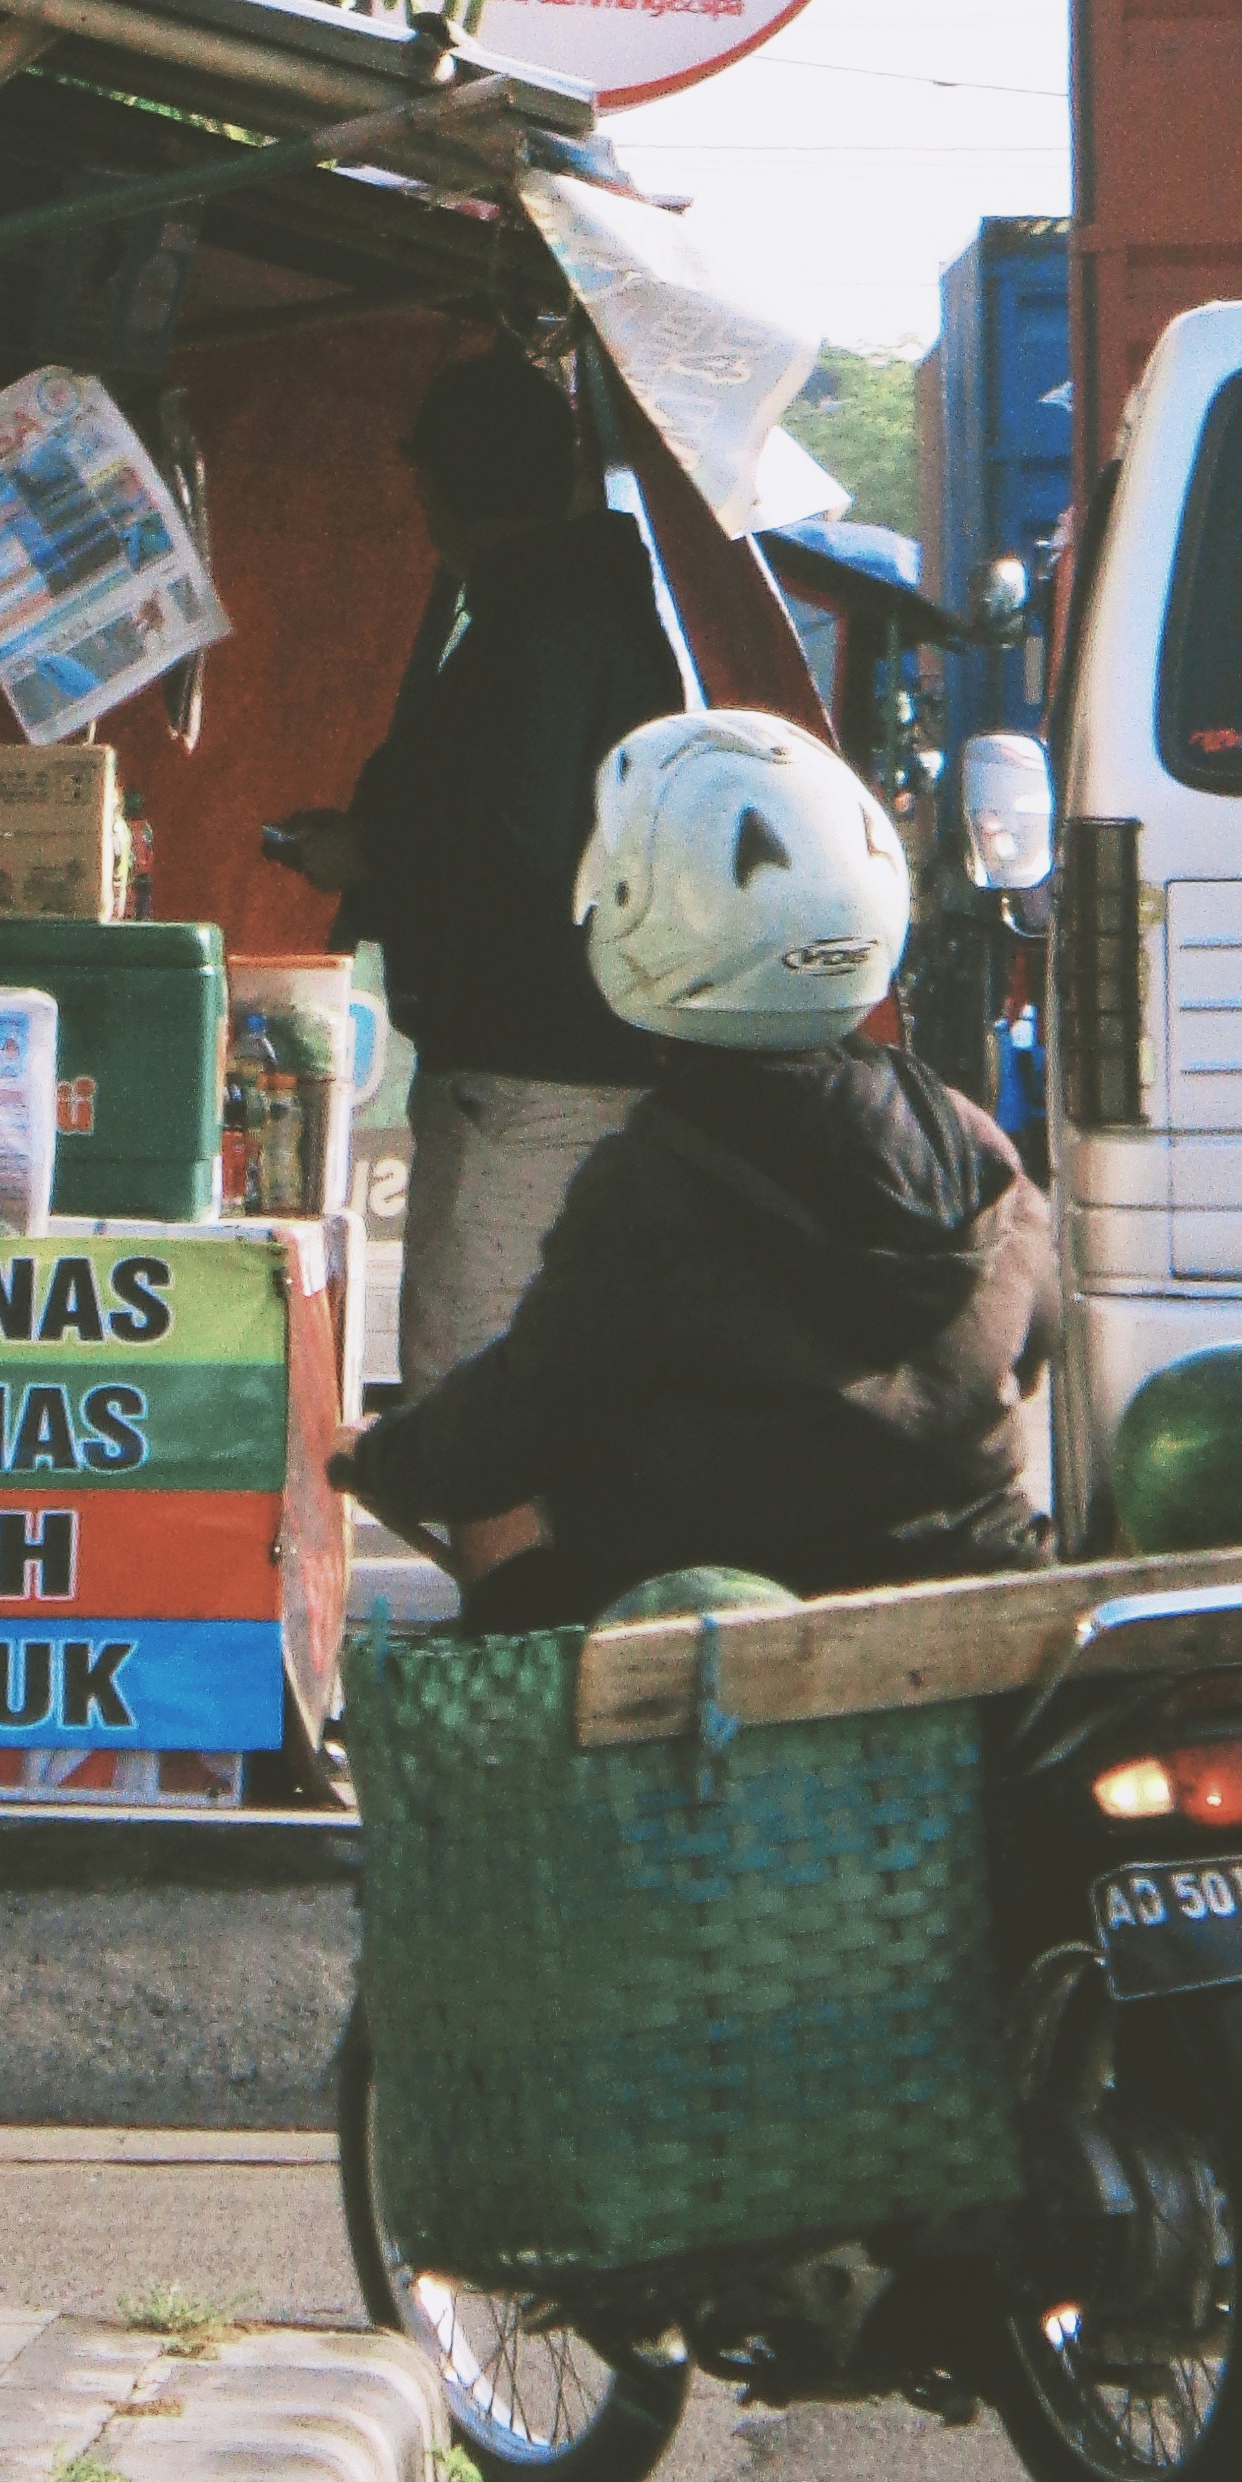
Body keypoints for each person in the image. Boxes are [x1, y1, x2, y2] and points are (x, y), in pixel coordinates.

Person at [341, 708, 1060, 1627]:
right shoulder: (966, 1136)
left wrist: (385, 1458)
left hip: (718, 1632)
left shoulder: (652, 1181)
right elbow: (1033, 1335)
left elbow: (527, 1411)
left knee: (511, 1617)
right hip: (978, 1598)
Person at [272, 351, 683, 1464]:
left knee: (473, 1401)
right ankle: (542, 1621)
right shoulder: (583, 605)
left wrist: (370, 846)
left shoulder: (544, 624)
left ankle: (532, 1630)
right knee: (505, 1390)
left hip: (536, 1068)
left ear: (438, 494)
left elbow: (518, 838)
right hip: (568, 1057)